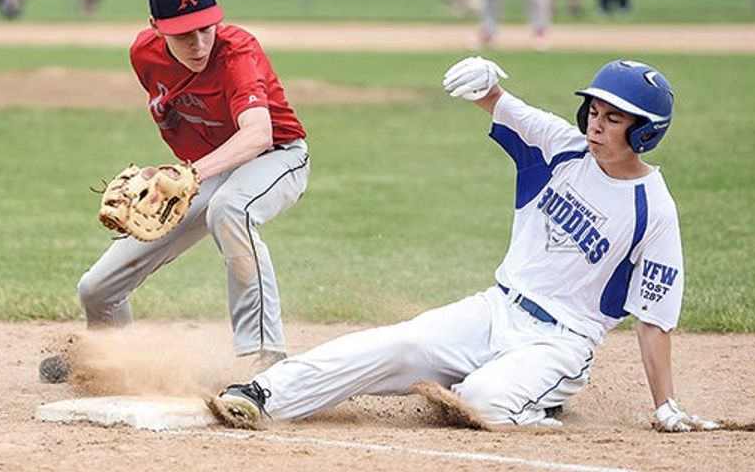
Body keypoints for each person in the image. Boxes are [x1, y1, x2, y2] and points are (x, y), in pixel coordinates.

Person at [210, 57, 722, 435]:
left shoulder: (653, 210)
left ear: (645, 133)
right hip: (497, 308)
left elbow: (653, 318)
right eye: (594, 109)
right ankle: (263, 394)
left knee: (481, 402)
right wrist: (484, 81)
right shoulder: (564, 147)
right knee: (398, 343)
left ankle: (527, 402)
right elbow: (502, 102)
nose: (595, 123)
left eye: (614, 117)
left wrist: (665, 405)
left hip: (561, 342)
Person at [42, 0, 310, 381]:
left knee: (229, 209)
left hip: (277, 157)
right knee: (96, 288)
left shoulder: (236, 51)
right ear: (156, 27)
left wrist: (189, 174)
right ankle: (112, 361)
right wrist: (167, 175)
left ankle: (267, 361)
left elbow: (258, 134)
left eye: (206, 27)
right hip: (206, 171)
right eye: (184, 33)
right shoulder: (143, 54)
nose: (200, 42)